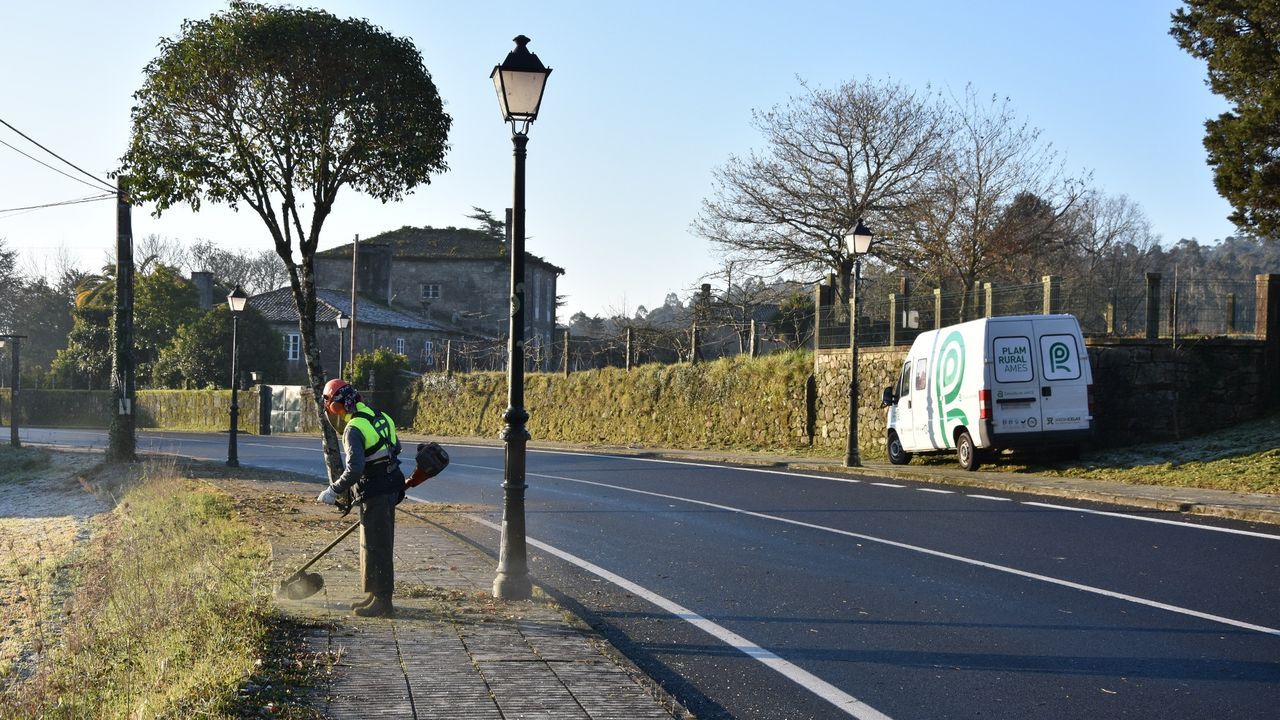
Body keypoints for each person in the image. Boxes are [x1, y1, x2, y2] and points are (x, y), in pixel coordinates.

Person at [316, 378, 404, 618]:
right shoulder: (381, 416)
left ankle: (384, 602)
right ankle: (374, 594)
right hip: (390, 487)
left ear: (336, 406)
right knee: (373, 544)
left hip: (374, 491)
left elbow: (354, 469)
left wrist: (334, 489)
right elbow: (396, 448)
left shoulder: (353, 428)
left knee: (378, 547)